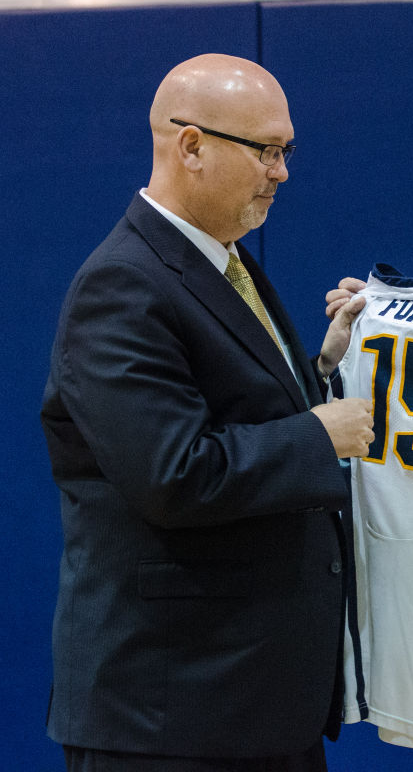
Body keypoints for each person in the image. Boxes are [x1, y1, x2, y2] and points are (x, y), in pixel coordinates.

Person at [40, 53, 373, 772]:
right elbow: (173, 474)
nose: (282, 171)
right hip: (171, 714)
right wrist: (320, 434)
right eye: (266, 151)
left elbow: (237, 413)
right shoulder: (122, 286)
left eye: (286, 151)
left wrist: (318, 373)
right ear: (191, 146)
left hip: (252, 701)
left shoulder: (227, 261)